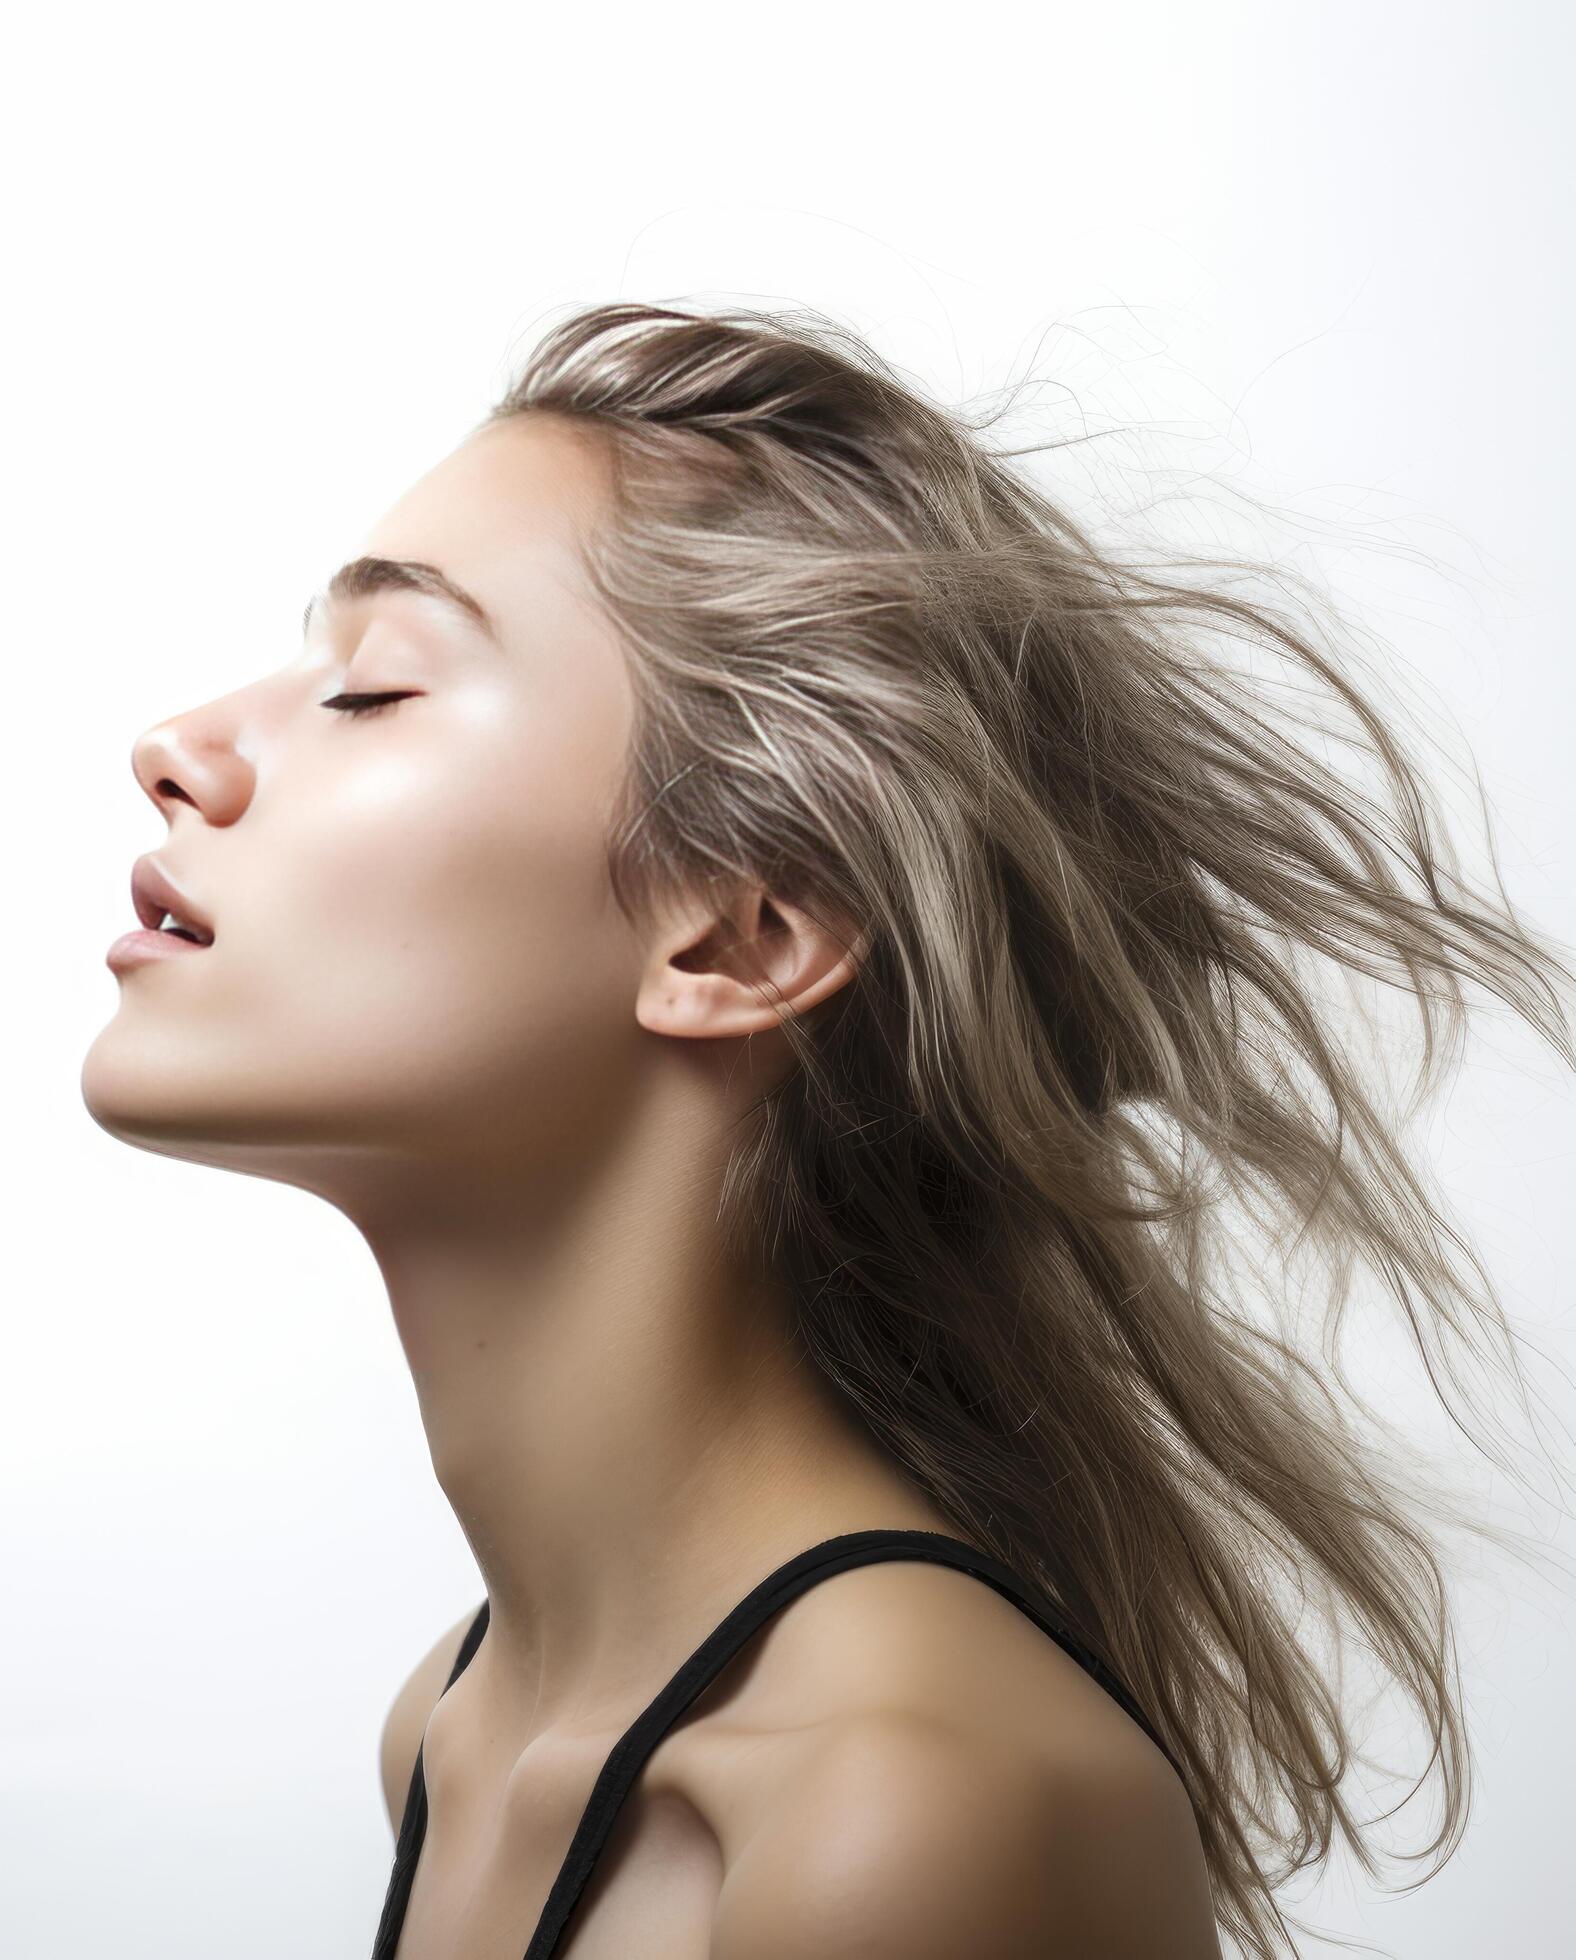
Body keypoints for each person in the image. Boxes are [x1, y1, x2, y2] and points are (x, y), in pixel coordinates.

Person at [81, 302, 1575, 1959]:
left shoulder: (906, 1810)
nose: (179, 748)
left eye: (372, 688)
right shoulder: (453, 1731)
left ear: (742, 937)